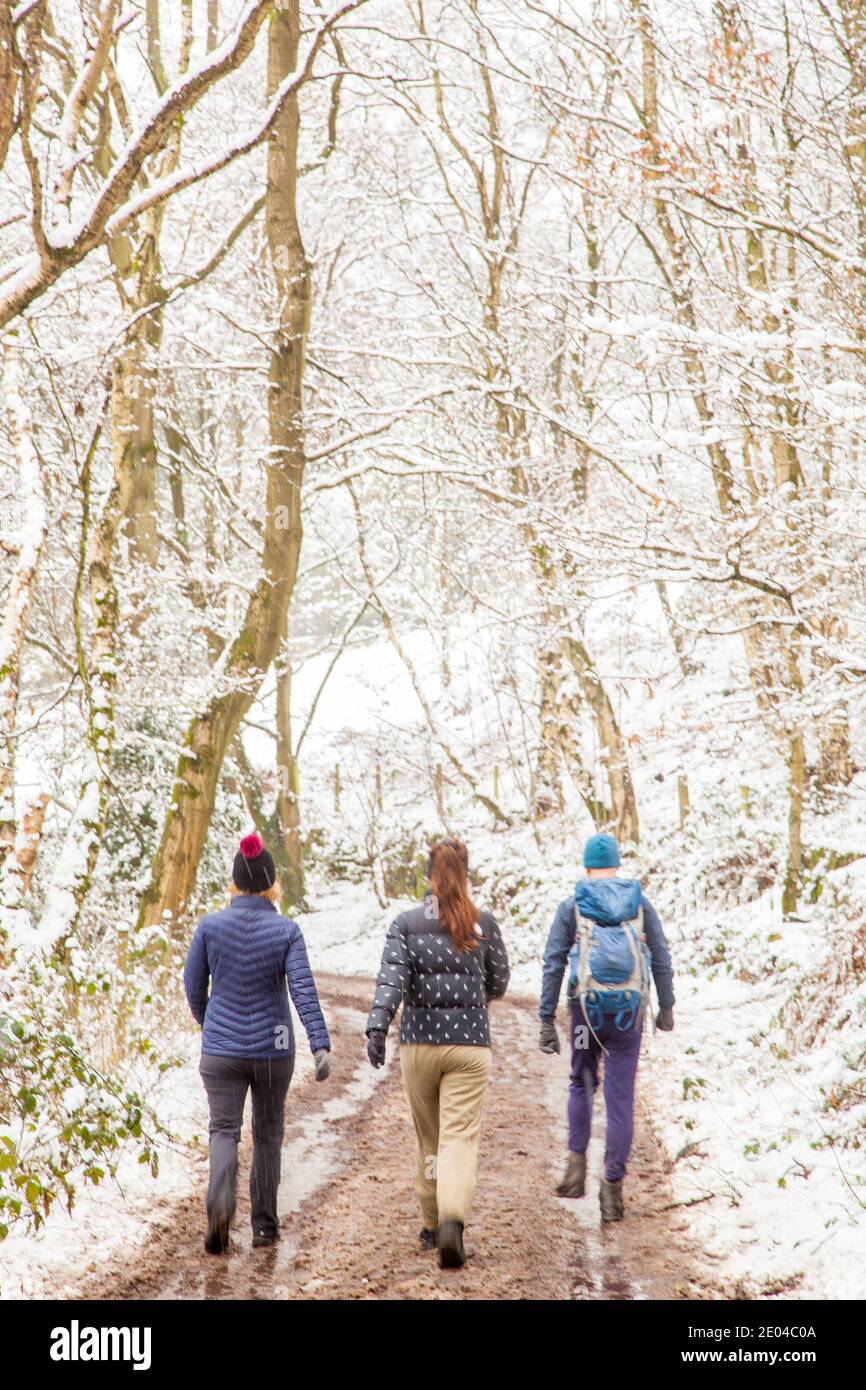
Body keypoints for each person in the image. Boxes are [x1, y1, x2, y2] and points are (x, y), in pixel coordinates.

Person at [365, 838, 510, 1269]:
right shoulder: (482, 922)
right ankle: (452, 1222)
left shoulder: (407, 923)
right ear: (465, 873)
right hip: (469, 1048)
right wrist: (472, 998)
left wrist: (378, 1027)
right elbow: (499, 982)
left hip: (420, 1047)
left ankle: (431, 1226)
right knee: (459, 1139)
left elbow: (392, 980)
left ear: (429, 873)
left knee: (429, 1139)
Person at [183, 832, 331, 1255]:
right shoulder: (286, 930)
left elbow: (194, 987)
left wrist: (210, 1023)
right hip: (273, 1049)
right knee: (267, 1134)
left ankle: (220, 1205)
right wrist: (319, 1043)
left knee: (224, 1130)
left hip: (221, 1052)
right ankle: (264, 1225)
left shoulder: (210, 926)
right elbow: (302, 989)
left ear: (234, 883)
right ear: (271, 884)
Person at [539, 831, 674, 1222]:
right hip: (628, 1017)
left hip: (587, 1015)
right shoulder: (639, 904)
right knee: (620, 1098)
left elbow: (553, 962)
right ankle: (612, 1191)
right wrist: (667, 1006)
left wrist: (547, 1018)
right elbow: (662, 958)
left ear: (586, 866)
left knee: (581, 1082)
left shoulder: (574, 905)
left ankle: (575, 1170)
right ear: (617, 864)